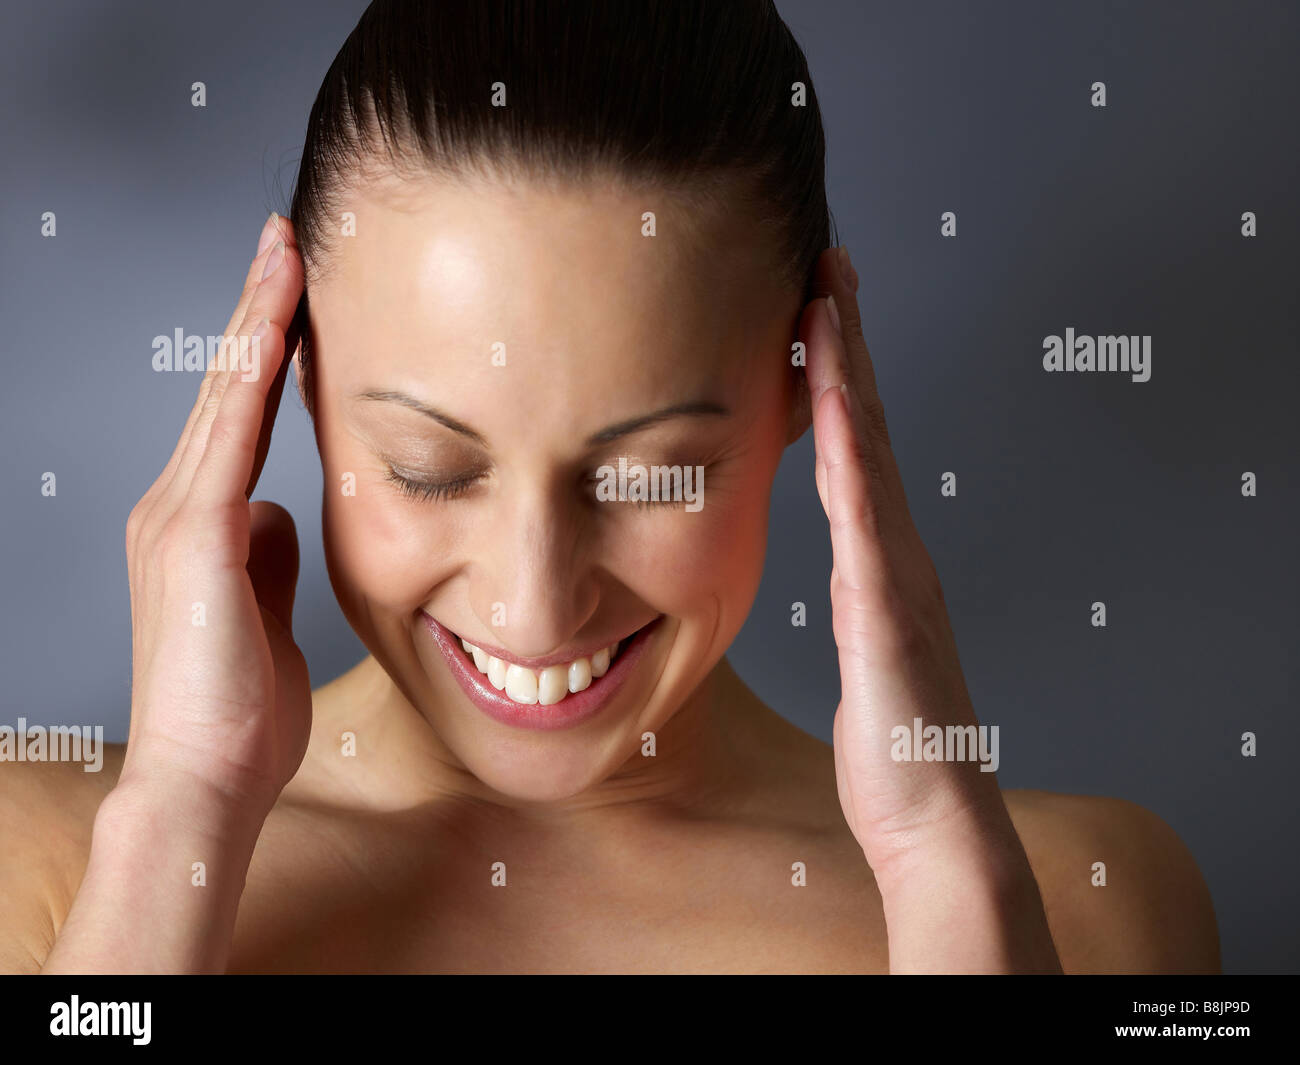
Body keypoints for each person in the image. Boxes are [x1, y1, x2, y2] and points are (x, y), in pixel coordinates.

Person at [8, 0, 1218, 974]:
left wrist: (945, 865)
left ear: (809, 387)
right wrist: (178, 819)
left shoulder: (1082, 898)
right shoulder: (51, 862)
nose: (535, 609)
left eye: (649, 477)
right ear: (292, 383)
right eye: (432, 471)